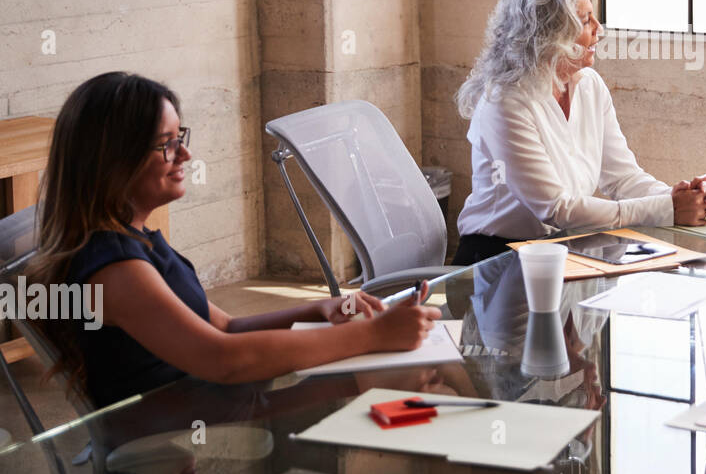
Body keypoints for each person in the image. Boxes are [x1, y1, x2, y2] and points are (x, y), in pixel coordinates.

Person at [27, 72, 440, 410]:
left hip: (219, 412)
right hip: (181, 442)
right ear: (113, 161)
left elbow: (226, 327)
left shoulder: (140, 242)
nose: (184, 155)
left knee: (409, 391)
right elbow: (222, 358)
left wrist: (323, 307)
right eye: (166, 145)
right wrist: (373, 335)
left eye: (179, 137)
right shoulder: (117, 271)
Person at [454, 0, 706, 265]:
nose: (599, 29)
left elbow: (622, 179)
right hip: (496, 257)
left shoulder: (590, 86)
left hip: (567, 247)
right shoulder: (505, 103)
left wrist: (681, 198)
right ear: (550, 34)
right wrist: (667, 208)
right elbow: (556, 208)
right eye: (585, 20)